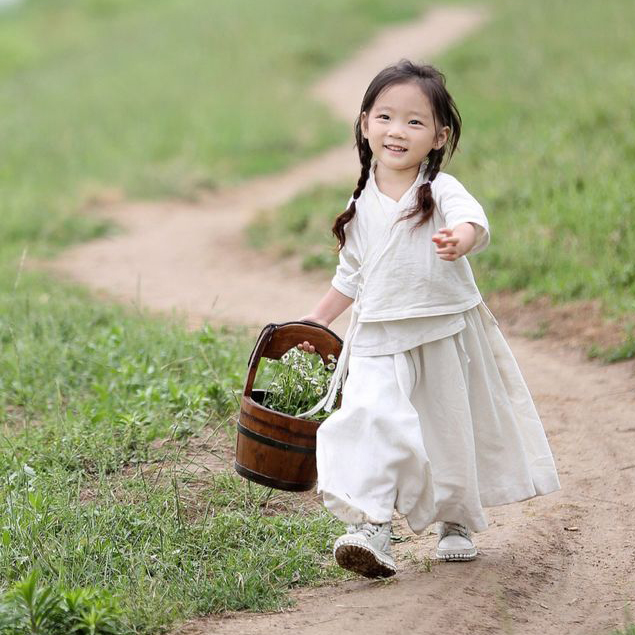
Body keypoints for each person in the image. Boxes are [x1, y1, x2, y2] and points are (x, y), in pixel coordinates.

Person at [295, 59, 560, 579]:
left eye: (415, 122)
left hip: (439, 329)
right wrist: (317, 321)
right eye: (386, 117)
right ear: (365, 122)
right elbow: (351, 274)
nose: (398, 131)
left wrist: (461, 238)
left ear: (438, 137)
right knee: (370, 419)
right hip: (375, 337)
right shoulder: (359, 202)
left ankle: (455, 521)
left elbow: (473, 219)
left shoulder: (438, 191)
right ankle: (373, 528)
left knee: (447, 428)